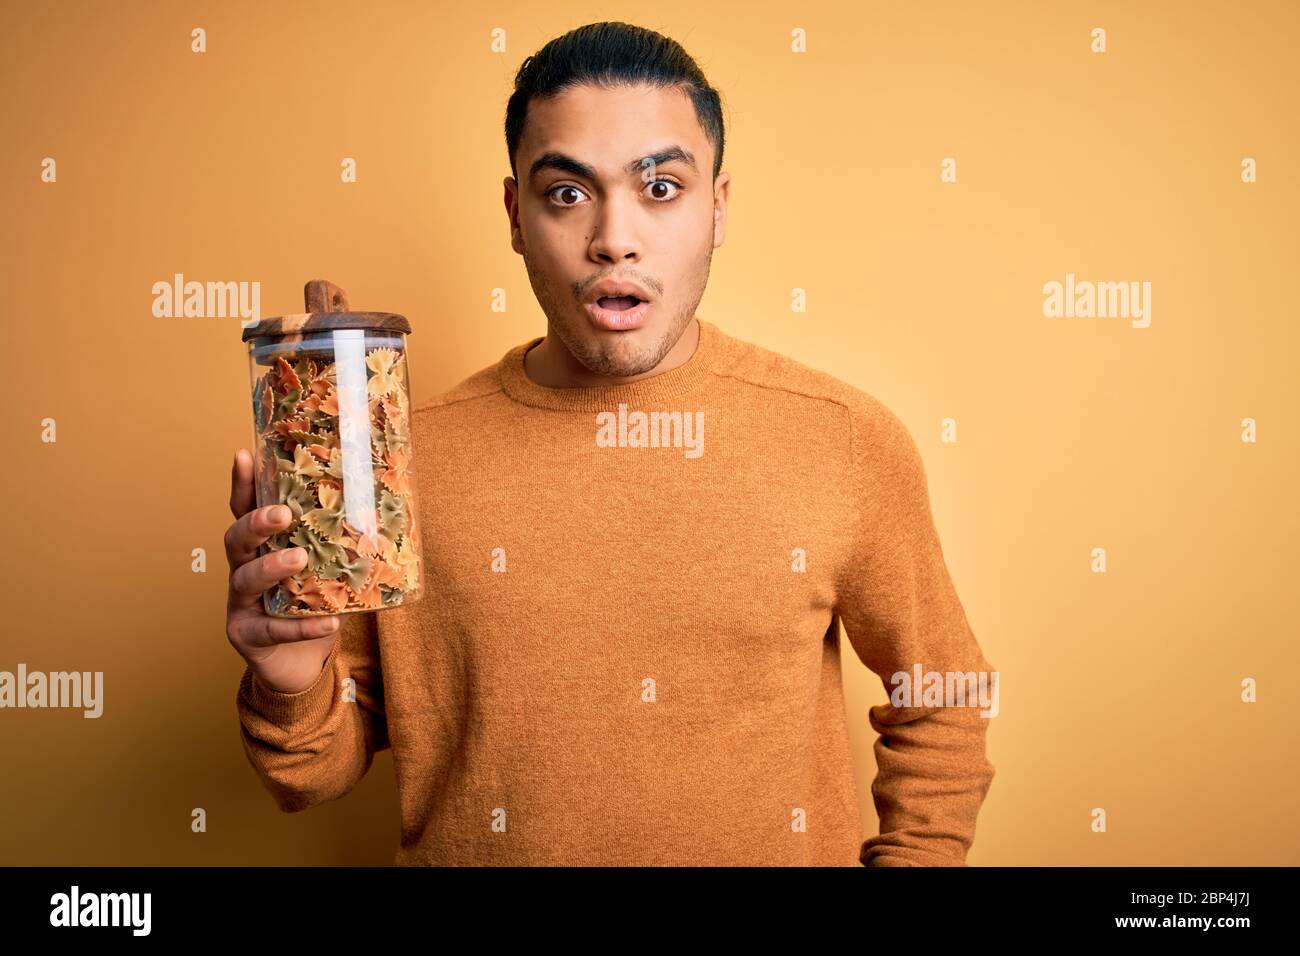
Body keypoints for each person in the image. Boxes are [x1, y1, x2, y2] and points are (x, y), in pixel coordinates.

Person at [226, 20, 995, 866]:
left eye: (660, 187)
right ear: (516, 215)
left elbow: (942, 699)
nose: (614, 238)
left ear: (719, 207)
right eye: (567, 193)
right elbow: (314, 773)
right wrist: (289, 681)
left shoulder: (842, 438)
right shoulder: (404, 460)